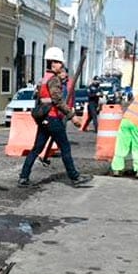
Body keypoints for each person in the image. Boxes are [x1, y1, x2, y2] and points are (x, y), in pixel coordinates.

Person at [18, 47, 91, 189]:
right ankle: (75, 177)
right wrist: (73, 116)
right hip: (53, 119)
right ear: (54, 63)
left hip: (44, 120)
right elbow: (57, 100)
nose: (60, 66)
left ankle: (23, 177)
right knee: (65, 148)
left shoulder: (44, 78)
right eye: (58, 63)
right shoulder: (53, 80)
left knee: (36, 149)